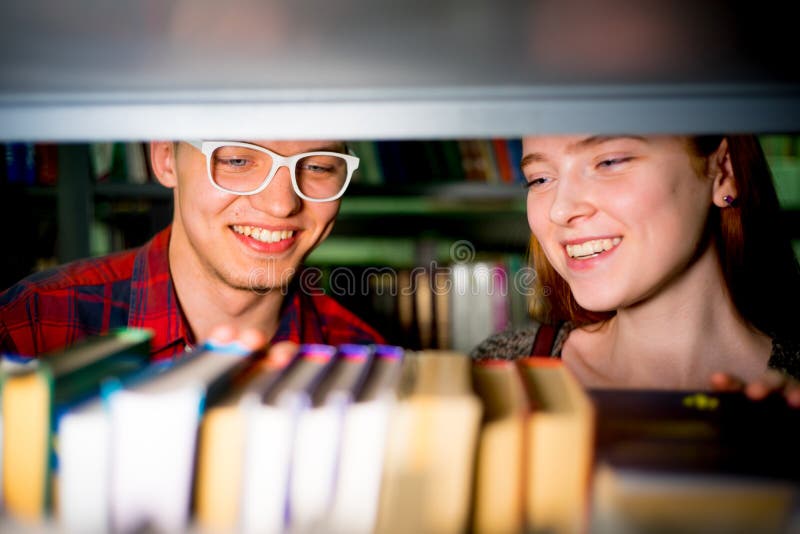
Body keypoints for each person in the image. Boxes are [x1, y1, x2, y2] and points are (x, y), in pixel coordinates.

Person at [472, 134, 800, 400]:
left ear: (724, 172)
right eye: (540, 179)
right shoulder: (497, 367)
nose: (560, 210)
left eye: (610, 162)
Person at [0, 140, 384, 360]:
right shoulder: (26, 329)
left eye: (317, 167)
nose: (281, 205)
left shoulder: (364, 359)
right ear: (165, 158)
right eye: (237, 160)